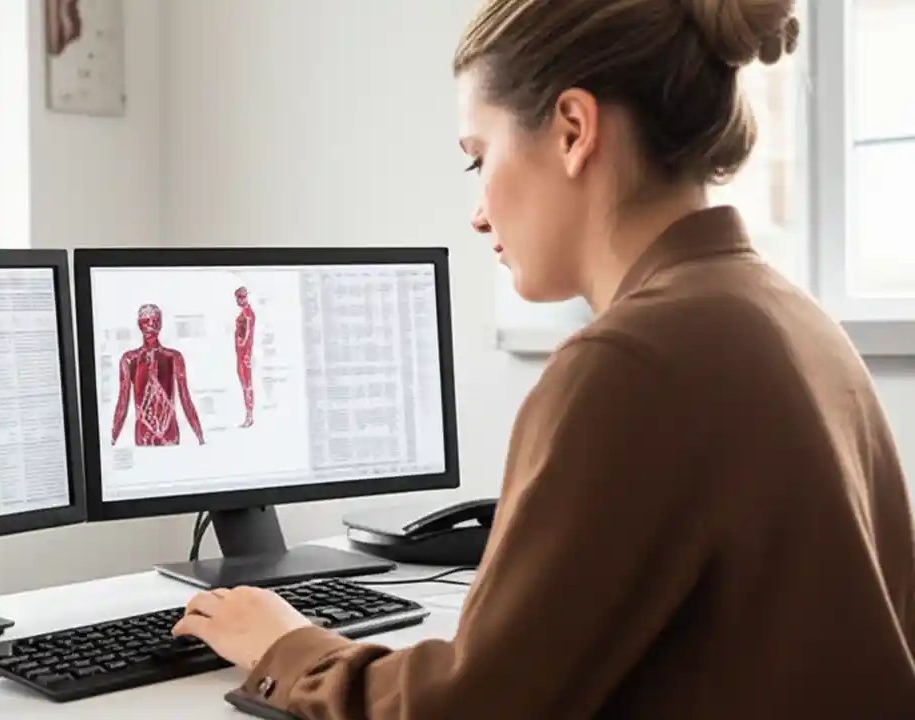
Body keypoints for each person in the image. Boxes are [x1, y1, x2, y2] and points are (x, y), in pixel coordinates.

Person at [171, 0, 915, 716]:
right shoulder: (796, 320)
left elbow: (463, 711)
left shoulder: (629, 363)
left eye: (478, 159)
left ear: (572, 131)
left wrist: (288, 648)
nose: (477, 213)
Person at [110, 303, 205, 447]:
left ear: (161, 324)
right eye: (146, 321)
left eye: (155, 321)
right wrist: (113, 438)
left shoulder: (174, 357)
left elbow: (185, 398)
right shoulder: (129, 359)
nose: (151, 325)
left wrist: (199, 435)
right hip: (144, 436)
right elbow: (122, 402)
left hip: (169, 435)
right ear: (139, 325)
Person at [234, 286, 256, 428]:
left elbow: (247, 329)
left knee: (247, 384)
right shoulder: (244, 312)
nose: (239, 300)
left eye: (242, 297)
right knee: (244, 383)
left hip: (244, 353)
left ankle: (249, 415)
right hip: (241, 353)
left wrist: (242, 342)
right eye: (238, 297)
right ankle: (248, 414)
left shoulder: (247, 312)